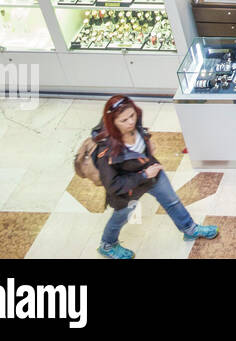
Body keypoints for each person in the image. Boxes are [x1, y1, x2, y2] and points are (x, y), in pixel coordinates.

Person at [93, 95, 219, 258]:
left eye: (132, 116)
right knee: (121, 218)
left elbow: (139, 133)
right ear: (112, 122)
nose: (131, 122)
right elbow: (113, 185)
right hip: (128, 190)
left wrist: (146, 143)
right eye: (123, 120)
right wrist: (144, 174)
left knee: (172, 201)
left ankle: (190, 229)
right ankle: (107, 245)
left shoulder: (134, 121)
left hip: (152, 173)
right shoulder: (106, 151)